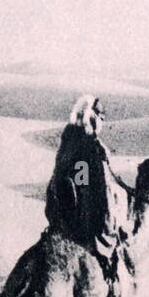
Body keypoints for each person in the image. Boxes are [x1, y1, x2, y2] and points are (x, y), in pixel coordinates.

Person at [45, 95, 130, 266]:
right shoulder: (86, 141)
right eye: (100, 118)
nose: (101, 123)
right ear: (93, 117)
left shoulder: (70, 136)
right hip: (81, 214)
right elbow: (81, 179)